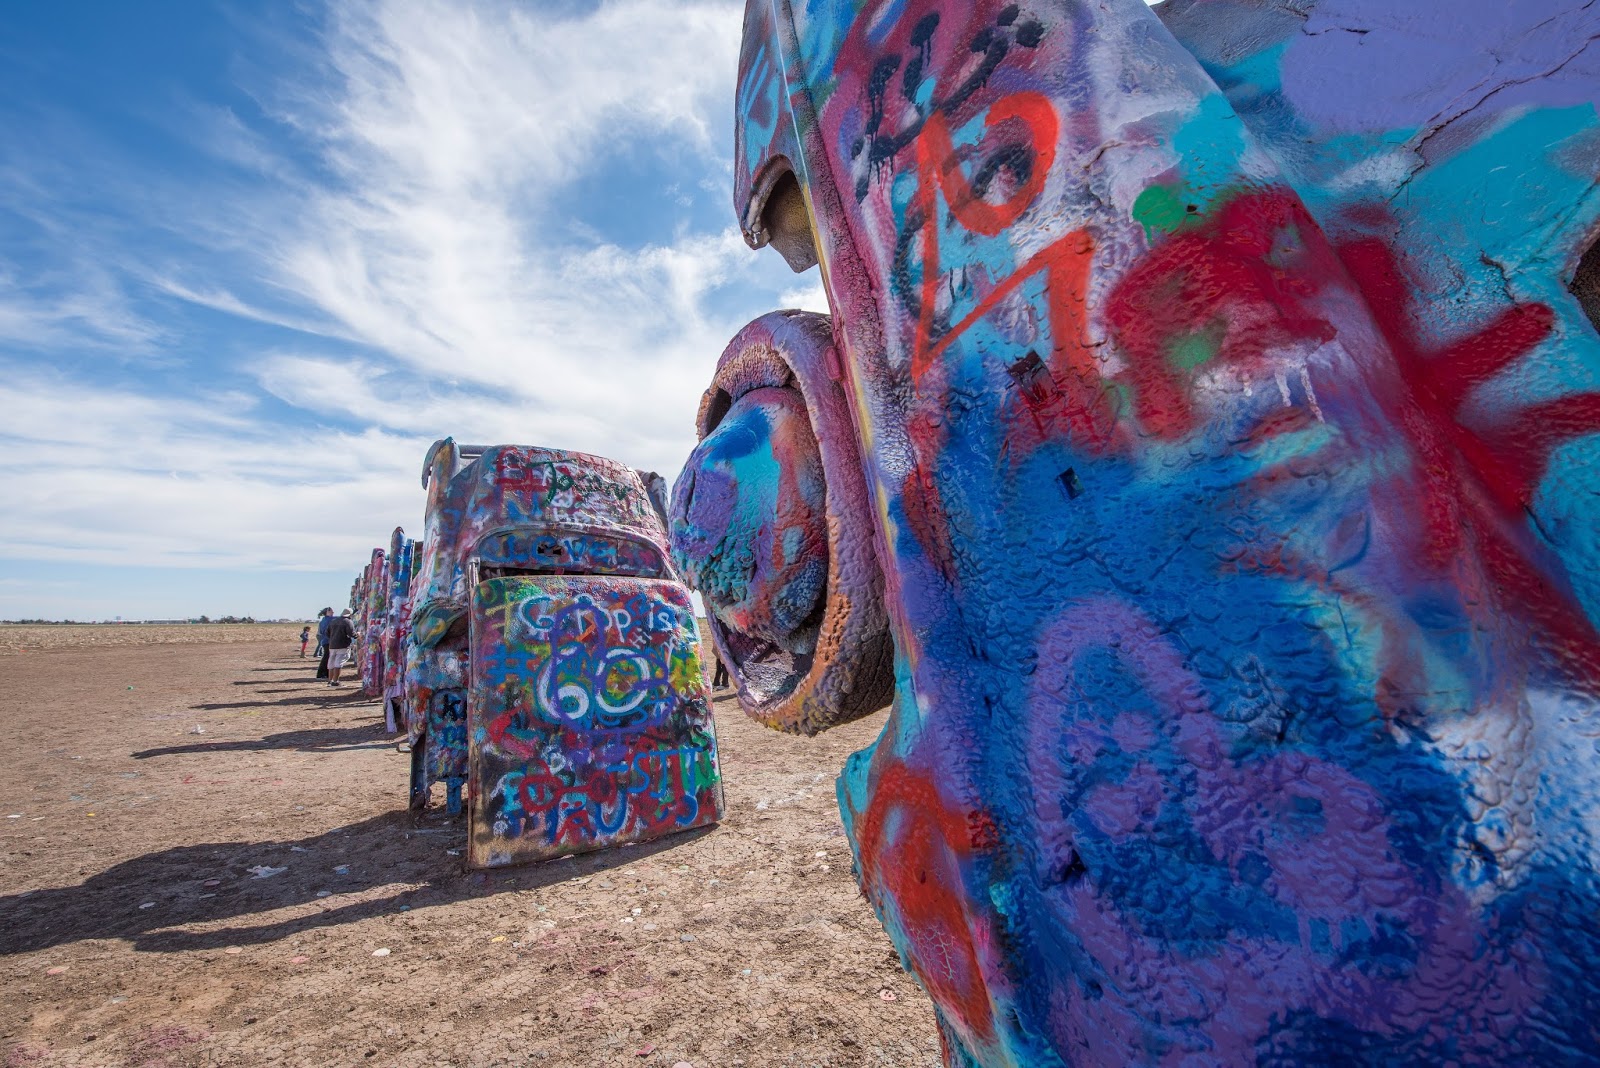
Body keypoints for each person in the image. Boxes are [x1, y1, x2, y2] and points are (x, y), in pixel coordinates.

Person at [325, 609, 356, 687]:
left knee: (331, 662)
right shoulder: (348, 622)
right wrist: (357, 635)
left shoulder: (333, 621)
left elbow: (327, 633)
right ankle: (335, 681)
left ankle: (330, 680)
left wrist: (332, 638)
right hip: (343, 645)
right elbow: (351, 633)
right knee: (338, 663)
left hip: (332, 645)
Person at [314, 608, 334, 680]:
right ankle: (321, 673)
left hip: (325, 641)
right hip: (328, 640)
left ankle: (324, 673)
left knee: (327, 657)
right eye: (332, 611)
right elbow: (341, 618)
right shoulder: (329, 619)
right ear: (327, 612)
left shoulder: (323, 620)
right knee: (327, 657)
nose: (333, 612)